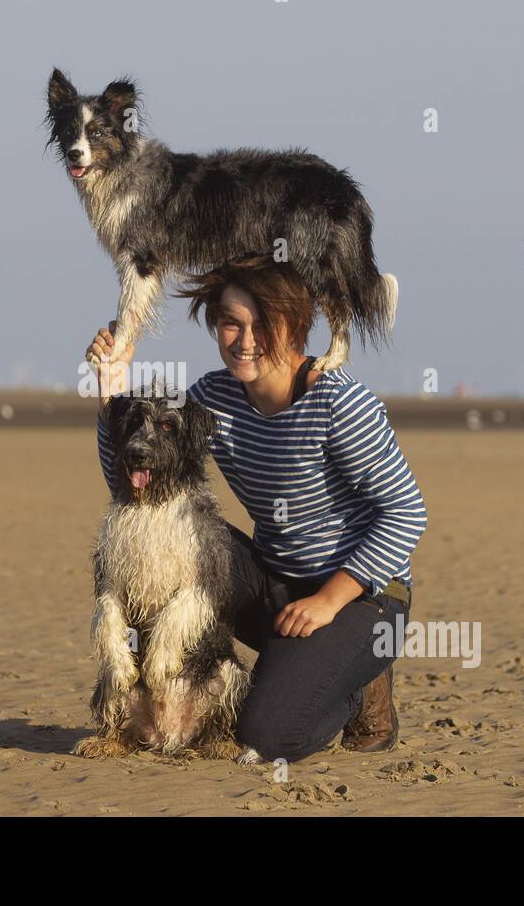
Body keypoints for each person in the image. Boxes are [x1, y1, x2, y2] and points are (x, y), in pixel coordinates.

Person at [87, 253, 427, 762]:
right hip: (273, 585)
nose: (246, 341)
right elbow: (140, 479)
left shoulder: (339, 403)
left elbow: (407, 513)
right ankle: (283, 666)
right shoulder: (213, 398)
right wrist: (110, 394)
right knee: (186, 534)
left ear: (297, 326)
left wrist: (328, 600)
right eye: (232, 323)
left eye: (263, 324)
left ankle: (357, 685)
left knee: (266, 736)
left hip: (363, 597)